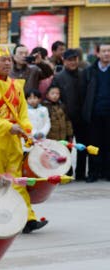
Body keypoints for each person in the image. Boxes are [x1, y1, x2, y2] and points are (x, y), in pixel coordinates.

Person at [0, 47, 43, 234]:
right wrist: (8, 127)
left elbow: (22, 113)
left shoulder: (16, 86)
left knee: (17, 178)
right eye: (2, 60)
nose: (7, 63)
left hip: (12, 139)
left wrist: (27, 130)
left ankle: (27, 217)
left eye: (8, 60)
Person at [52, 48, 85, 179]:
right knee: (65, 147)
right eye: (69, 60)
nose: (73, 62)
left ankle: (81, 173)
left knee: (83, 146)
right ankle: (66, 172)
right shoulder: (59, 77)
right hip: (65, 118)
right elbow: (54, 96)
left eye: (75, 59)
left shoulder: (84, 74)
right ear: (64, 61)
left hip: (82, 117)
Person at [80, 43, 110, 182]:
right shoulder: (89, 71)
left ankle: (107, 172)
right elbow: (83, 93)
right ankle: (93, 172)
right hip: (94, 114)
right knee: (94, 145)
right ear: (98, 54)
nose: (106, 54)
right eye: (103, 51)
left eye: (109, 51)